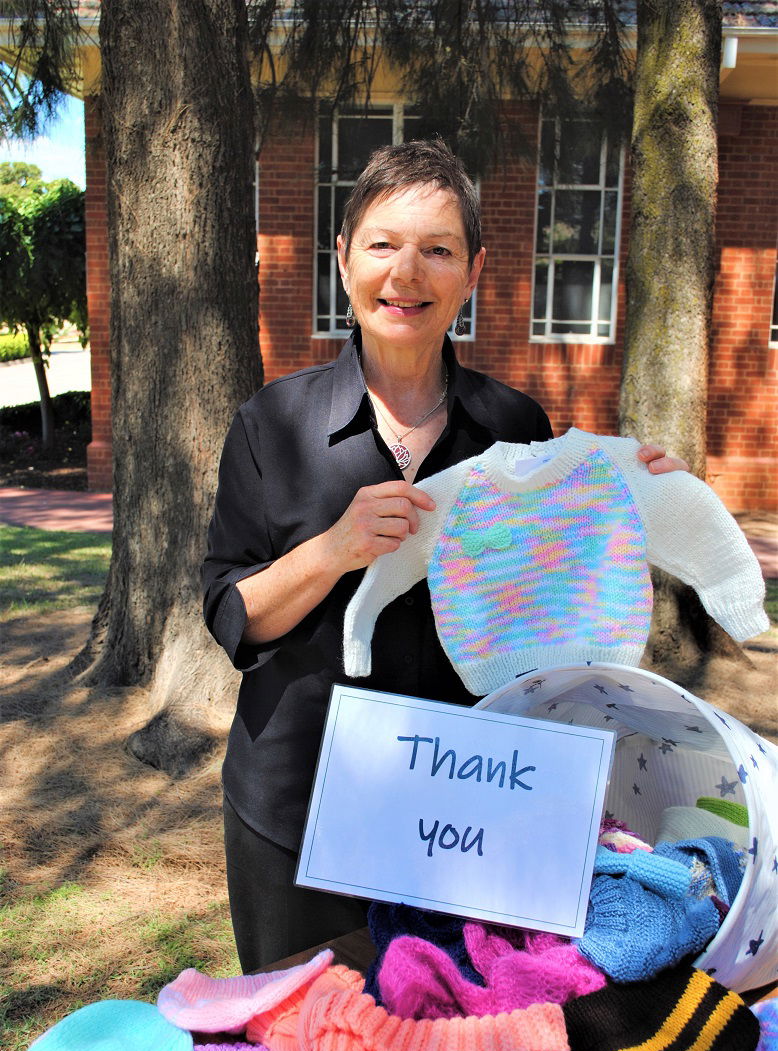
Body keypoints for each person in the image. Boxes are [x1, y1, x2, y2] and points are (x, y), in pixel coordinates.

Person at [203, 138, 686, 972]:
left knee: (458, 1049)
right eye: (384, 245)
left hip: (472, 809)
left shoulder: (516, 426)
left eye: (438, 250)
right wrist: (333, 550)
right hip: (299, 813)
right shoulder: (269, 423)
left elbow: (565, 593)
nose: (407, 273)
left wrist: (636, 497)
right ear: (345, 258)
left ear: (473, 273)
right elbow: (231, 615)